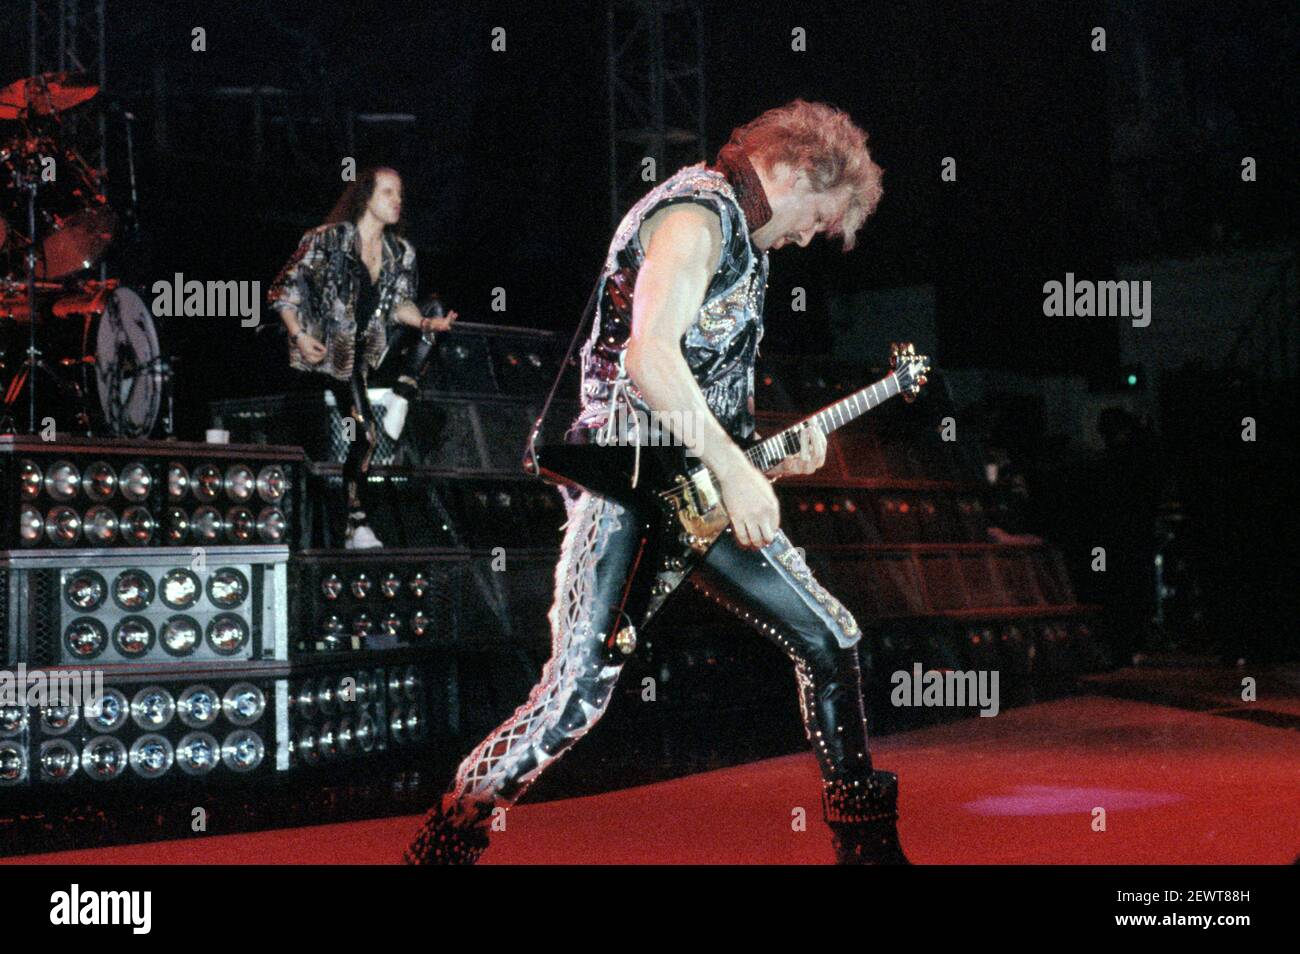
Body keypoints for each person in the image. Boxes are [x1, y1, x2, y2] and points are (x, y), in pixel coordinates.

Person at [406, 100, 908, 864]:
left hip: (695, 488)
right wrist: (738, 470)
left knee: (831, 639)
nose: (814, 237)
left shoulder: (747, 242)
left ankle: (867, 853)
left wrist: (761, 454)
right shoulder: (695, 217)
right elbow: (650, 359)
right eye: (822, 219)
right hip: (628, 484)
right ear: (800, 171)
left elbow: (702, 388)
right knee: (572, 699)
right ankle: (441, 851)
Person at [267, 167, 457, 548]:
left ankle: (402, 393)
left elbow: (398, 305)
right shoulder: (328, 241)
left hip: (370, 345)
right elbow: (282, 291)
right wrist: (299, 335)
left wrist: (424, 322)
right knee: (365, 433)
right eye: (388, 192)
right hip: (332, 351)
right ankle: (355, 522)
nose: (397, 200)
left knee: (434, 306)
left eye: (400, 193)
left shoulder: (400, 252)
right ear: (366, 198)